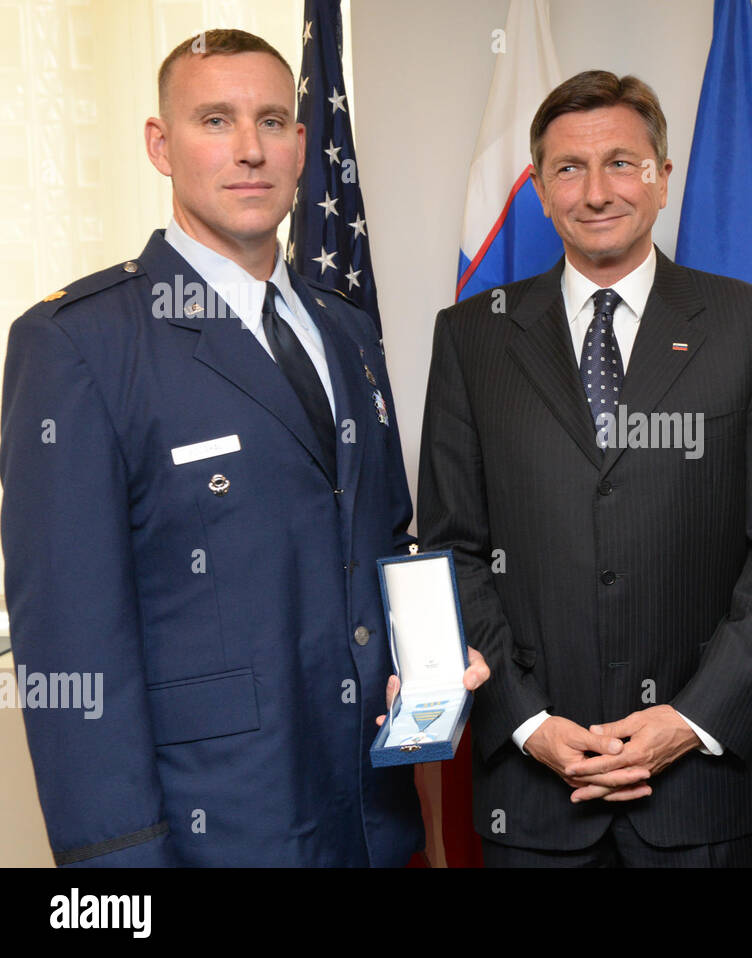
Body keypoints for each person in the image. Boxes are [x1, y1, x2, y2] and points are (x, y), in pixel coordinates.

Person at [0, 29, 486, 867]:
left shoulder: (346, 328)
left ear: (304, 145)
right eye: (215, 121)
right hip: (214, 833)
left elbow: (379, 544)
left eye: (272, 121)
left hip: (371, 816)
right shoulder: (79, 343)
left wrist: (433, 660)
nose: (251, 149)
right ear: (162, 145)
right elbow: (71, 645)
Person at [418, 71, 752, 866]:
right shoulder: (473, 339)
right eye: (569, 168)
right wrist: (527, 722)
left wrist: (690, 720)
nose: (596, 191)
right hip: (535, 794)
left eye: (623, 164)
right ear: (537, 189)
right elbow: (453, 549)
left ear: (663, 179)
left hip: (706, 789)